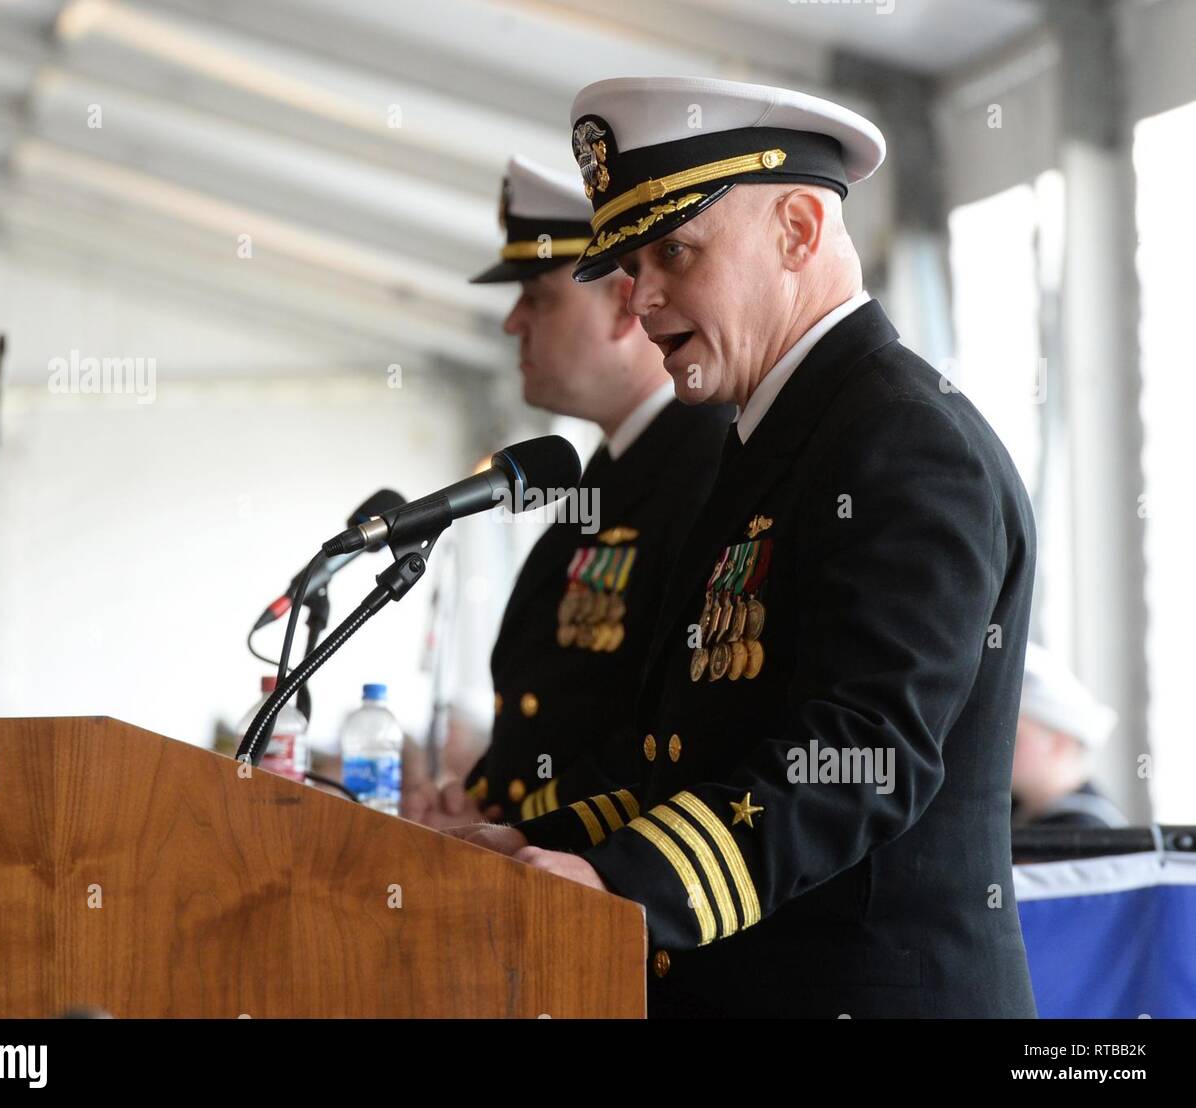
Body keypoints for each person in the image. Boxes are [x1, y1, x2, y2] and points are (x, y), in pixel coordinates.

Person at [452, 77, 1039, 1018]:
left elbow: (863, 755)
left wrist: (621, 885)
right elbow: (691, 755)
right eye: (631, 262)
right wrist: (537, 846)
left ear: (799, 231)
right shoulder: (781, 436)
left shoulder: (904, 440)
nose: (639, 296)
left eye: (672, 252)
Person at [404, 155, 730, 829]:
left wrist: (516, 830)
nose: (511, 323)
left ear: (621, 307)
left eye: (539, 297)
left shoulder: (707, 468)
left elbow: (676, 730)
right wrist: (481, 804)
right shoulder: (612, 470)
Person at [1011, 643, 1127, 828]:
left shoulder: (1085, 829)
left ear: (1060, 742)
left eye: (1015, 739)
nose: (999, 749)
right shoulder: (1019, 808)